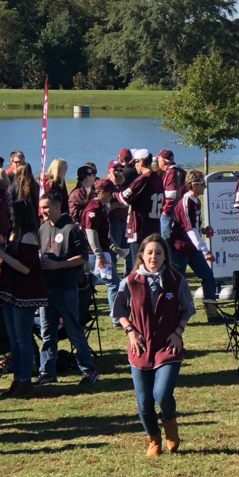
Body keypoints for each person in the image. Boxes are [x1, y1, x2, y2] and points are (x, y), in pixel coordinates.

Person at [113, 234, 195, 456]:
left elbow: (187, 310)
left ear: (165, 256)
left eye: (159, 253)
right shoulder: (130, 282)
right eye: (149, 252)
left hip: (168, 347)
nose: (154, 257)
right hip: (140, 348)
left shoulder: (176, 280)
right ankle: (153, 439)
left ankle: (170, 425)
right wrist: (130, 331)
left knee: (161, 394)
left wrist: (178, 332)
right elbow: (118, 312)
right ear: (141, 255)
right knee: (144, 402)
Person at [37, 191, 98, 387]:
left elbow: (82, 258)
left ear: (57, 206)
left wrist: (57, 265)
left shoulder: (71, 229)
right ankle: (47, 372)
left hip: (65, 289)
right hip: (46, 289)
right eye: (41, 207)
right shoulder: (43, 229)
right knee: (47, 333)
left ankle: (89, 371)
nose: (43, 211)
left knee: (74, 331)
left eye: (46, 207)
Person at [0, 200, 46, 398]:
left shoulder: (30, 236)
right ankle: (18, 377)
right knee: (13, 339)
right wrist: (1, 248)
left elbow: (25, 267)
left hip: (23, 292)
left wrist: (2, 254)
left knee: (22, 338)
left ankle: (25, 379)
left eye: (14, 215)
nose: (11, 218)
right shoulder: (14, 233)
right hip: (9, 290)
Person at [169, 170, 216, 301]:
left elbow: (192, 227)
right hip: (180, 248)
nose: (204, 186)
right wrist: (205, 250)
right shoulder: (186, 202)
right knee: (177, 281)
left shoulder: (196, 201)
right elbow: (189, 229)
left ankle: (212, 310)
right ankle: (174, 311)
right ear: (193, 185)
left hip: (193, 248)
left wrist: (203, 230)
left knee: (208, 276)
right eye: (202, 184)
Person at [82, 179, 122, 315]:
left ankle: (84, 310)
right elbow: (90, 233)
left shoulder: (102, 207)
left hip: (101, 252)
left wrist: (115, 246)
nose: (112, 196)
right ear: (102, 192)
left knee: (89, 285)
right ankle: (117, 316)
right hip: (94, 254)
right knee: (115, 283)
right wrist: (99, 255)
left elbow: (105, 232)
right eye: (110, 193)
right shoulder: (93, 209)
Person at [120, 149, 164, 262]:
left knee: (139, 265)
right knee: (152, 264)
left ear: (141, 162)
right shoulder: (158, 179)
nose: (134, 165)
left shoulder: (143, 179)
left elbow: (124, 198)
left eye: (135, 162)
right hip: (154, 227)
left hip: (140, 229)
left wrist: (115, 190)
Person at [157, 150, 185, 240]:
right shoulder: (179, 171)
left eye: (159, 160)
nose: (158, 162)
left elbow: (171, 194)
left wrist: (165, 211)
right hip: (178, 209)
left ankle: (169, 253)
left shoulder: (171, 172)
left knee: (166, 238)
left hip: (170, 211)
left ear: (164, 161)